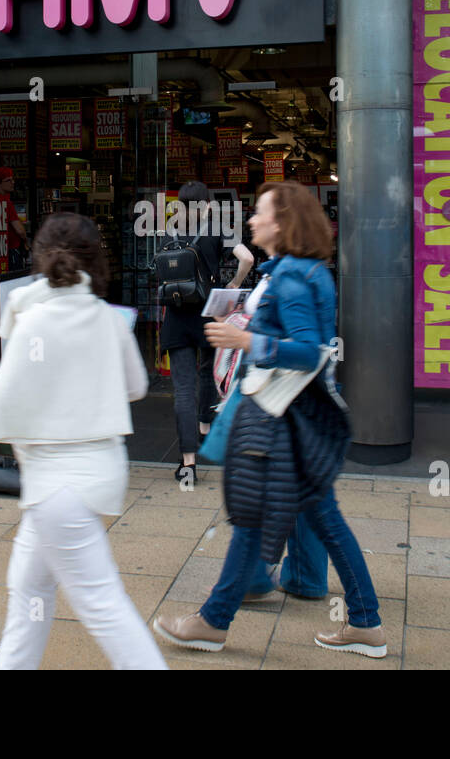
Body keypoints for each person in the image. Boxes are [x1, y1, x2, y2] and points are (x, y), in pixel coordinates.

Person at [0, 212, 167, 669]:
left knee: (101, 605)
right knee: (29, 592)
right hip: (91, 476)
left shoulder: (33, 322)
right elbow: (134, 388)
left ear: (40, 258)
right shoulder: (109, 319)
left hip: (57, 487)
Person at [152, 180, 386, 657]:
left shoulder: (295, 277)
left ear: (284, 223)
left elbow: (308, 352)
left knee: (256, 517)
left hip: (286, 418)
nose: (253, 221)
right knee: (318, 520)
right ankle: (364, 623)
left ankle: (214, 621)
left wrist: (247, 342)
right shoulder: (293, 270)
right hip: (292, 417)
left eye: (260, 213)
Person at [159, 181, 253, 487]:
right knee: (208, 374)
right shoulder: (217, 228)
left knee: (183, 390)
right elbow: (248, 259)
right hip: (209, 316)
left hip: (175, 317)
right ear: (207, 205)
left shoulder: (169, 230)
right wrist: (235, 283)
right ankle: (204, 427)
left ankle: (188, 465)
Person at [0, 167, 31, 272]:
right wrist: (26, 241)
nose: (12, 182)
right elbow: (20, 230)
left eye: (12, 179)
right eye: (8, 180)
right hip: (12, 251)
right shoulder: (6, 203)